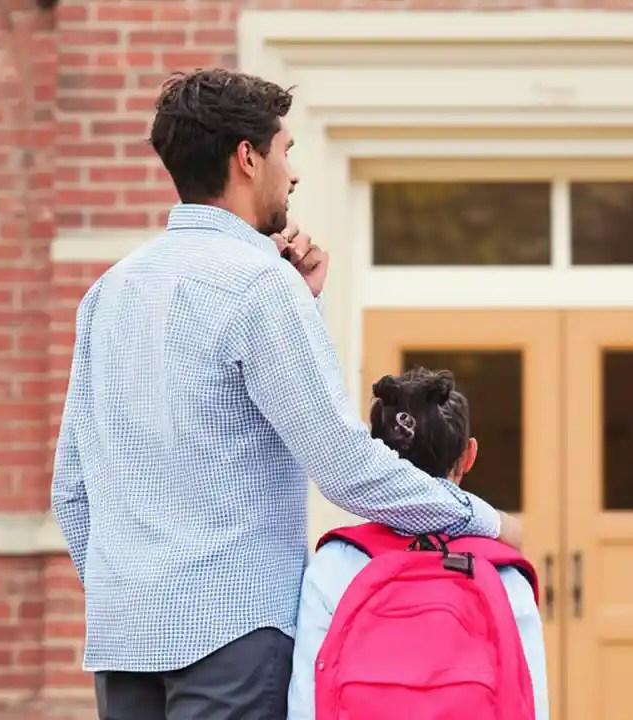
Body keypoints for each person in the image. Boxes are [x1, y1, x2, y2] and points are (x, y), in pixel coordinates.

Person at [49, 68, 522, 720]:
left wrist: (120, 592)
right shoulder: (256, 285)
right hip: (234, 636)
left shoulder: (109, 292)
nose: (292, 172)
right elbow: (343, 464)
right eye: (285, 150)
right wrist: (482, 518)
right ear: (247, 158)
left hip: (122, 640)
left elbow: (71, 489)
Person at [286, 368, 548, 720]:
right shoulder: (503, 574)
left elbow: (307, 703)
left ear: (376, 454)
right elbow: (530, 702)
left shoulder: (335, 563)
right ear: (469, 456)